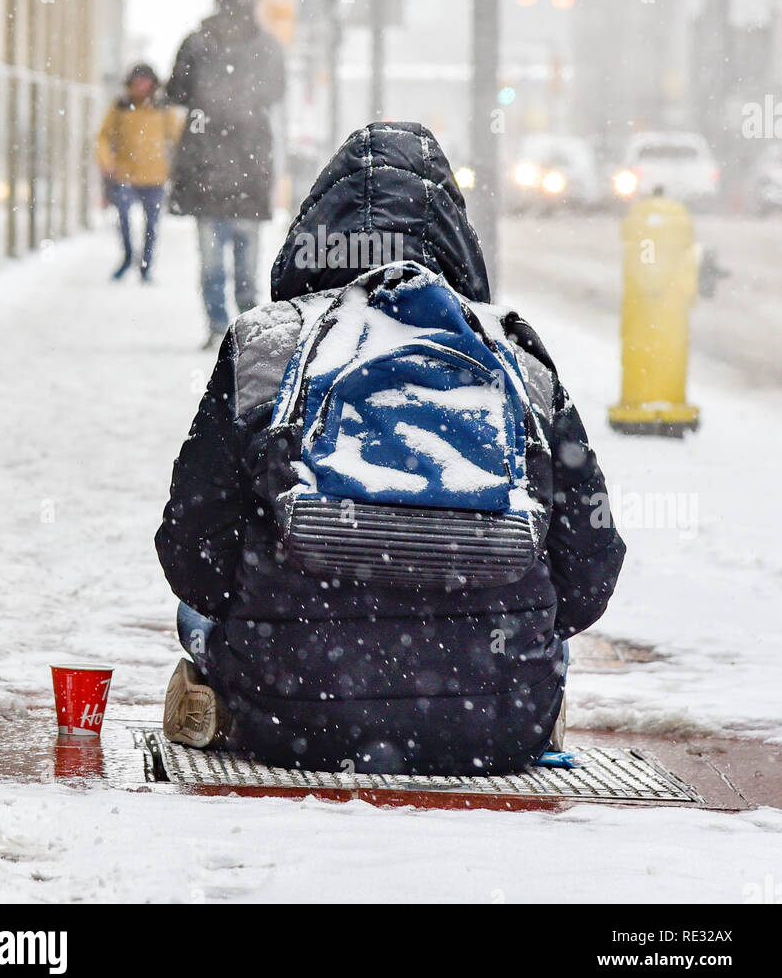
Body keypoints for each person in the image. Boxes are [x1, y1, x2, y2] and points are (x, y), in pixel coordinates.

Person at [155, 122, 625, 775]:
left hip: (291, 710)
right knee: (537, 633)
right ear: (458, 244)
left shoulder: (265, 343)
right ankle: (527, 700)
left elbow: (191, 549)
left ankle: (223, 699)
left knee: (197, 611)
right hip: (496, 722)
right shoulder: (513, 354)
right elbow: (591, 568)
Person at [165, 0, 286, 344]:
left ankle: (219, 327)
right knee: (245, 259)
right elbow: (275, 91)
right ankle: (245, 330)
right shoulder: (265, 47)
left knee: (213, 260)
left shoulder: (197, 43)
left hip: (206, 164)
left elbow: (177, 91)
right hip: (247, 165)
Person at [96, 63, 182, 282]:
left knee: (152, 225)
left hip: (155, 176)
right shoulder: (121, 107)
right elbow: (103, 137)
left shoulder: (163, 108)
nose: (142, 86)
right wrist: (106, 161)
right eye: (137, 81)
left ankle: (146, 264)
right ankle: (127, 256)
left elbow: (177, 136)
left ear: (153, 84)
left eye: (146, 81)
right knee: (123, 218)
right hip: (125, 174)